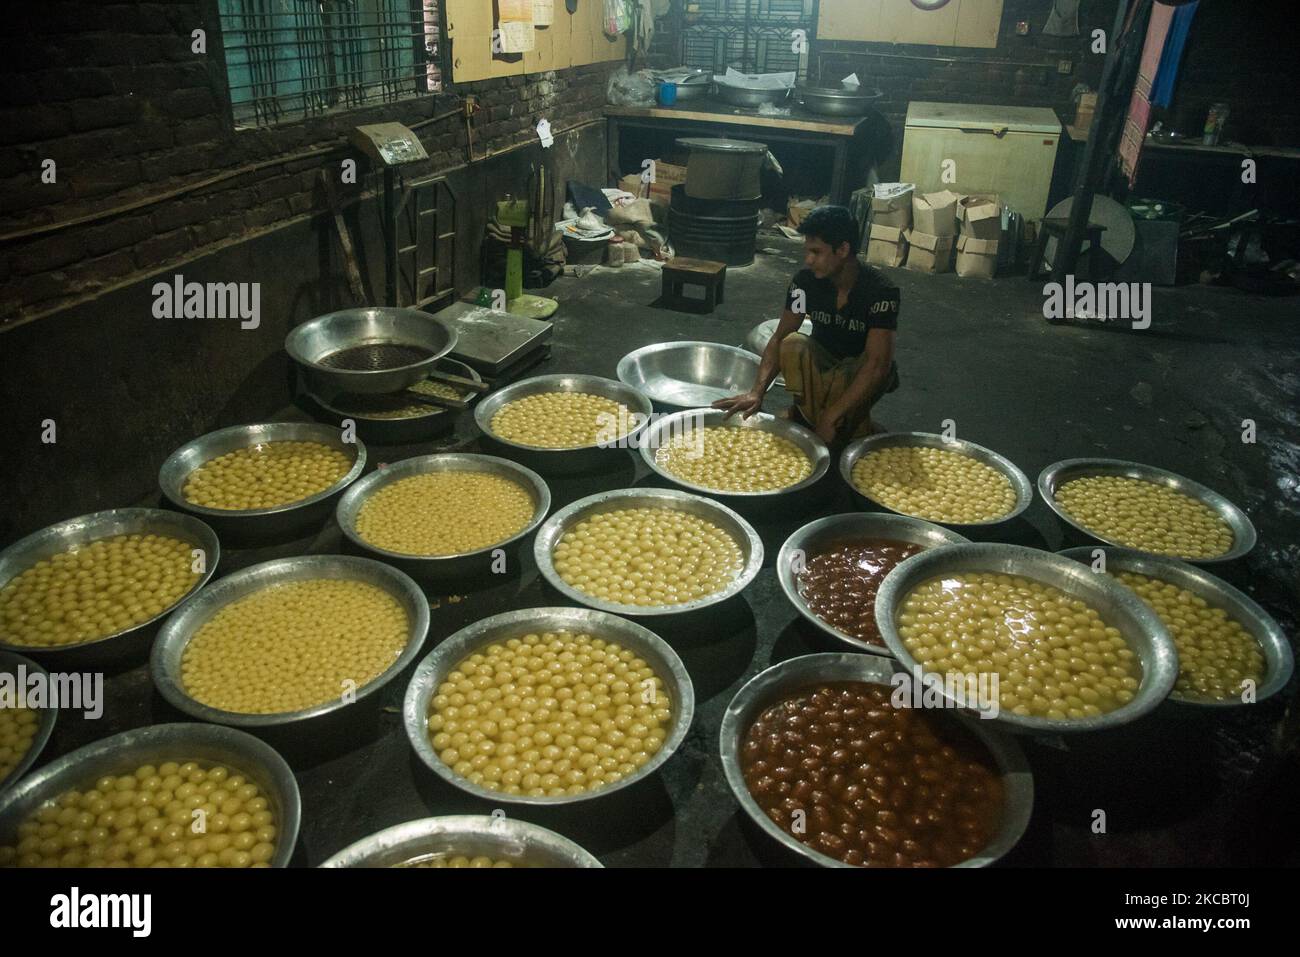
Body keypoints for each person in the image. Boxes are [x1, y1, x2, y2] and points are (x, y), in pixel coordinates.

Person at [712, 205, 899, 447]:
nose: (808, 260)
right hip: (821, 366)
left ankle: (838, 421)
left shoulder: (880, 291)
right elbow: (779, 338)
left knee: (864, 373)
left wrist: (831, 419)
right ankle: (818, 419)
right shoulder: (805, 283)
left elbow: (877, 366)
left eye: (816, 252)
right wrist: (756, 392)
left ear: (843, 249)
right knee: (792, 344)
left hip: (858, 371)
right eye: (807, 251)